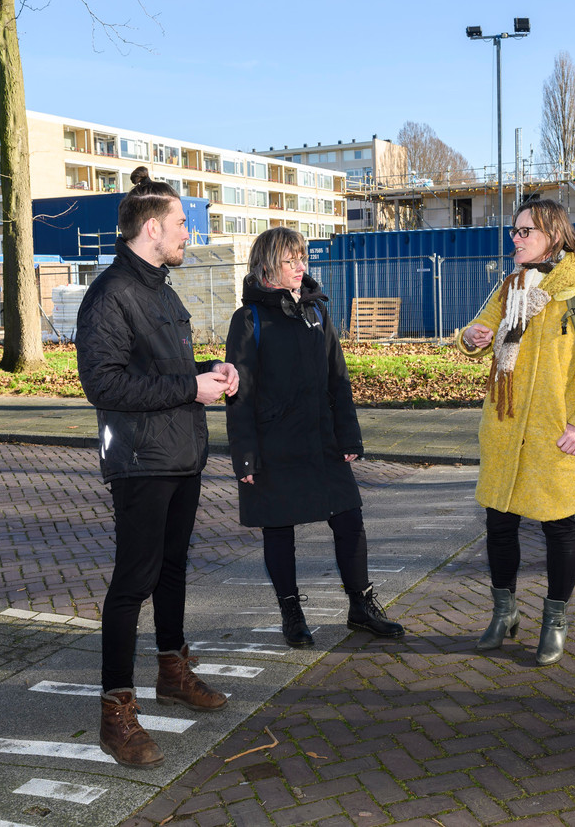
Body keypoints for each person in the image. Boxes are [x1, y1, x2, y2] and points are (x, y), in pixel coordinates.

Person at [75, 179, 240, 769]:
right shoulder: (110, 294)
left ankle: (173, 672)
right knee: (133, 581)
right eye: (180, 224)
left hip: (180, 453)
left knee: (172, 569)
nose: (187, 234)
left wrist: (210, 370)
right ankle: (115, 711)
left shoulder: (160, 289)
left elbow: (165, 370)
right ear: (152, 229)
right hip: (141, 461)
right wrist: (189, 387)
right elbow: (104, 384)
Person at [224, 227, 403, 648]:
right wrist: (245, 456)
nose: (300, 266)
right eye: (290, 260)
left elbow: (338, 378)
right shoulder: (248, 320)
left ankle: (361, 606)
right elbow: (240, 394)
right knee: (278, 530)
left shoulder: (316, 310)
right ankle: (292, 613)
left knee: (350, 519)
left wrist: (349, 436)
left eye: (302, 258)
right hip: (274, 445)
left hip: (322, 441)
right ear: (267, 266)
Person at [456, 198, 575, 665]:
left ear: (554, 236)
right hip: (505, 430)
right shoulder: (510, 288)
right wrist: (471, 337)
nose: (516, 238)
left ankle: (555, 621)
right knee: (499, 525)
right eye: (515, 230)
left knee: (559, 528)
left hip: (558, 435)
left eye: (526, 231)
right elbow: (477, 331)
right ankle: (503, 613)